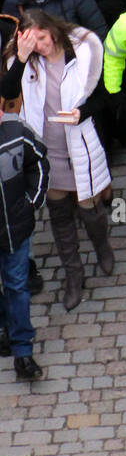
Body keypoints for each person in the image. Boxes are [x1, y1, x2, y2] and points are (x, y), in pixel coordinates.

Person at [0, 10, 113, 310]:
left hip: (80, 143)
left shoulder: (82, 51)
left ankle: (102, 244)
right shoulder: (23, 61)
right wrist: (22, 58)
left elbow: (104, 96)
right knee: (59, 215)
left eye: (41, 36)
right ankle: (73, 274)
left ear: (52, 29)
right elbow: (8, 91)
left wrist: (81, 113)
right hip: (47, 150)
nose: (38, 44)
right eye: (31, 40)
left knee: (90, 208)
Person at [0, 103, 48, 381]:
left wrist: (32, 202)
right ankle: (4, 326)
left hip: (16, 229)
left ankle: (22, 352)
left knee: (17, 286)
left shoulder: (18, 131)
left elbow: (39, 162)